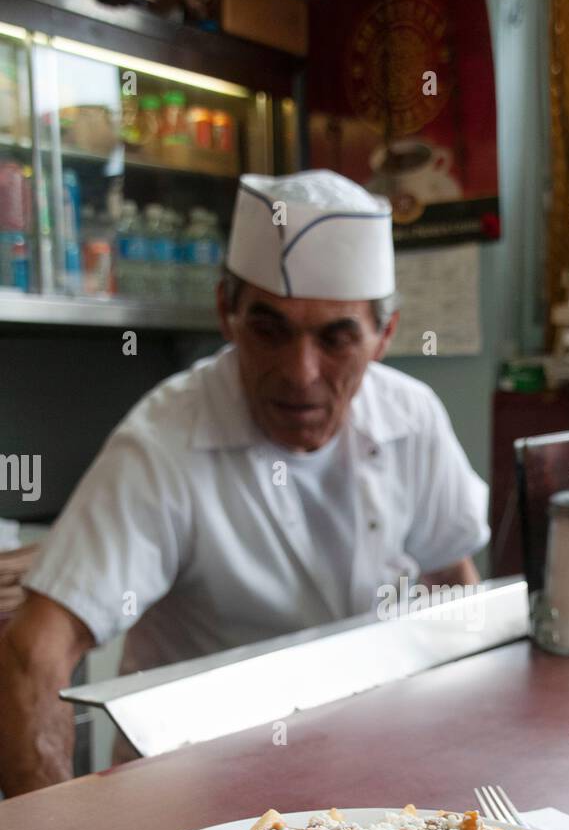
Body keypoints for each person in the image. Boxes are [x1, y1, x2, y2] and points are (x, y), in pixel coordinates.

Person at [0, 171, 489, 796]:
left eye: (336, 338)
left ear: (383, 337)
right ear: (227, 315)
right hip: (189, 790)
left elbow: (456, 589)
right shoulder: (163, 442)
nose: (300, 373)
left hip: (372, 776)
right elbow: (31, 656)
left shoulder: (412, 418)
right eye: (271, 330)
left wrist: (468, 758)